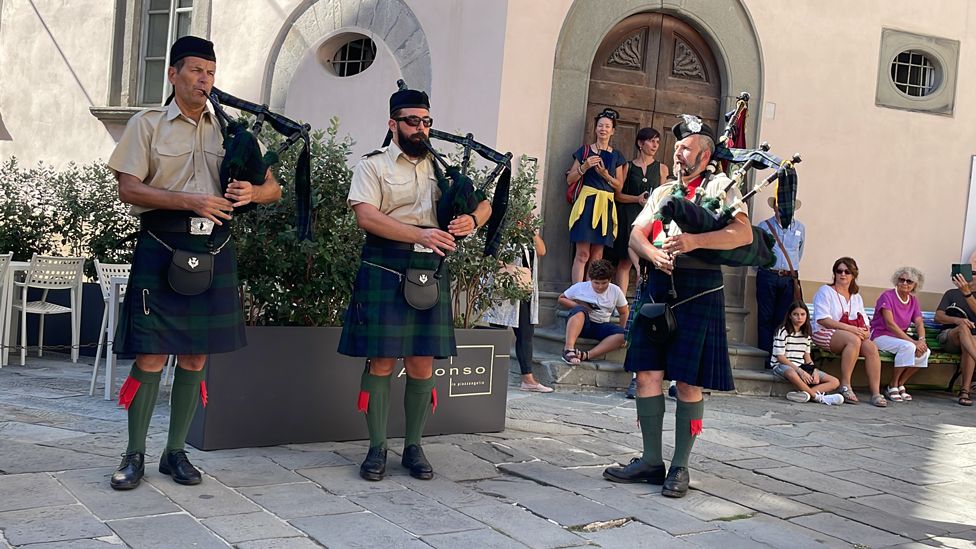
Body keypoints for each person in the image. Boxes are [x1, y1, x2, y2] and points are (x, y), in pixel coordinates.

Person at [106, 36, 282, 490]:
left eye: (211, 72)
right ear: (173, 74)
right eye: (196, 70)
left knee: (196, 354)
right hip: (162, 243)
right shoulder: (146, 125)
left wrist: (253, 193)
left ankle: (175, 453)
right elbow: (129, 188)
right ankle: (134, 455)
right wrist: (188, 200)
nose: (205, 80)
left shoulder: (230, 129)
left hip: (215, 249)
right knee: (150, 353)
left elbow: (274, 188)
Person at [338, 85, 491, 482]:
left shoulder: (441, 167)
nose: (421, 128)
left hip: (431, 269)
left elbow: (485, 203)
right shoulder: (373, 166)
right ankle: (376, 448)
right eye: (412, 122)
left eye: (426, 122)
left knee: (422, 359)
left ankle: (414, 447)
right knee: (383, 359)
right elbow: (366, 217)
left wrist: (472, 221)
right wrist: (419, 234)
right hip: (386, 265)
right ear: (393, 125)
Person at [603, 115, 752, 498]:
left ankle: (680, 467)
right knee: (647, 376)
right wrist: (651, 252)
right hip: (657, 289)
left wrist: (694, 243)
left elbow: (742, 233)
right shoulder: (662, 190)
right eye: (677, 146)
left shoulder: (722, 186)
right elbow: (636, 233)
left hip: (699, 290)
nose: (678, 152)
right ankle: (651, 461)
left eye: (686, 147)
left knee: (687, 381)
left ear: (704, 155)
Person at [811, 257, 887, 407]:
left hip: (850, 335)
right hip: (824, 332)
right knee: (853, 340)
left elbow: (864, 320)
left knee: (871, 346)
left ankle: (876, 392)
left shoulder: (856, 297)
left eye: (847, 271)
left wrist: (866, 331)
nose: (843, 274)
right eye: (839, 271)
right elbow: (823, 319)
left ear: (853, 275)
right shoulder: (825, 291)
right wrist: (851, 329)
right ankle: (845, 385)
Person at [484, 232, 552, 392]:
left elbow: (542, 251)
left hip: (525, 288)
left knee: (525, 333)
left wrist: (531, 231)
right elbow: (490, 253)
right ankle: (491, 376)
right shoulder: (502, 230)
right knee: (497, 333)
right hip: (503, 289)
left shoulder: (527, 234)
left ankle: (528, 379)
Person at [565, 109, 626, 283]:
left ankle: (592, 293)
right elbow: (570, 179)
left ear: (612, 130)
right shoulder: (584, 151)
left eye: (607, 126)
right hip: (587, 203)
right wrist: (584, 167)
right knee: (582, 253)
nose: (603, 129)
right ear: (595, 129)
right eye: (600, 125)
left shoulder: (617, 156)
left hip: (605, 204)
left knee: (597, 255)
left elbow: (619, 186)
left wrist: (606, 175)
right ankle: (577, 294)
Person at [613, 127, 669, 296]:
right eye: (651, 141)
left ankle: (643, 298)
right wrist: (636, 199)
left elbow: (663, 196)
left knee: (649, 260)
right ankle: (621, 302)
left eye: (657, 141)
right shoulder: (628, 167)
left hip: (651, 219)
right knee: (624, 262)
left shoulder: (662, 168)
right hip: (628, 215)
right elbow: (618, 195)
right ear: (640, 143)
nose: (655, 145)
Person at [756, 196, 805, 362]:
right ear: (774, 207)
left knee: (782, 318)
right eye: (779, 205)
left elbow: (799, 252)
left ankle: (777, 357)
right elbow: (758, 251)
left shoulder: (800, 228)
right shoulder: (764, 226)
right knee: (765, 317)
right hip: (768, 275)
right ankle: (764, 357)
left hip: (788, 278)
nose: (783, 209)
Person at [870, 267, 929, 402]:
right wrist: (913, 342)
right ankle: (892, 385)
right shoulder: (887, 296)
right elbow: (890, 324)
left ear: (915, 285)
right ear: (896, 281)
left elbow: (919, 323)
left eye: (909, 281)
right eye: (901, 280)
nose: (905, 283)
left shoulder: (913, 301)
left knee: (925, 351)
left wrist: (921, 340)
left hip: (898, 338)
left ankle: (900, 383)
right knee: (908, 347)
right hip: (880, 336)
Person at [770, 302, 843, 405]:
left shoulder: (806, 334)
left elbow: (807, 356)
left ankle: (804, 394)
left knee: (835, 381)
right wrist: (800, 371)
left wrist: (814, 370)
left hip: (801, 366)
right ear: (790, 316)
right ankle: (817, 397)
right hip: (783, 366)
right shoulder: (782, 331)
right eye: (796, 314)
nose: (799, 317)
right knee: (792, 373)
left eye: (802, 314)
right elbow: (780, 357)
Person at [558, 259, 629, 364]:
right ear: (590, 279)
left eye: (604, 283)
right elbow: (561, 299)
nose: (600, 287)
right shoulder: (580, 287)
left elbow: (624, 312)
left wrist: (623, 330)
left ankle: (587, 355)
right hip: (581, 323)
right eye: (596, 283)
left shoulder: (615, 290)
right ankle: (568, 349)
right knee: (579, 311)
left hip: (602, 324)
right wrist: (578, 305)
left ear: (610, 280)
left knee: (624, 336)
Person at [934, 271, 976, 406]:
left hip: (971, 340)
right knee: (964, 328)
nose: (969, 276)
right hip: (950, 336)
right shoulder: (951, 293)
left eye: (973, 273)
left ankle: (964, 391)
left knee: (969, 345)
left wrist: (967, 294)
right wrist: (957, 320)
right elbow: (938, 317)